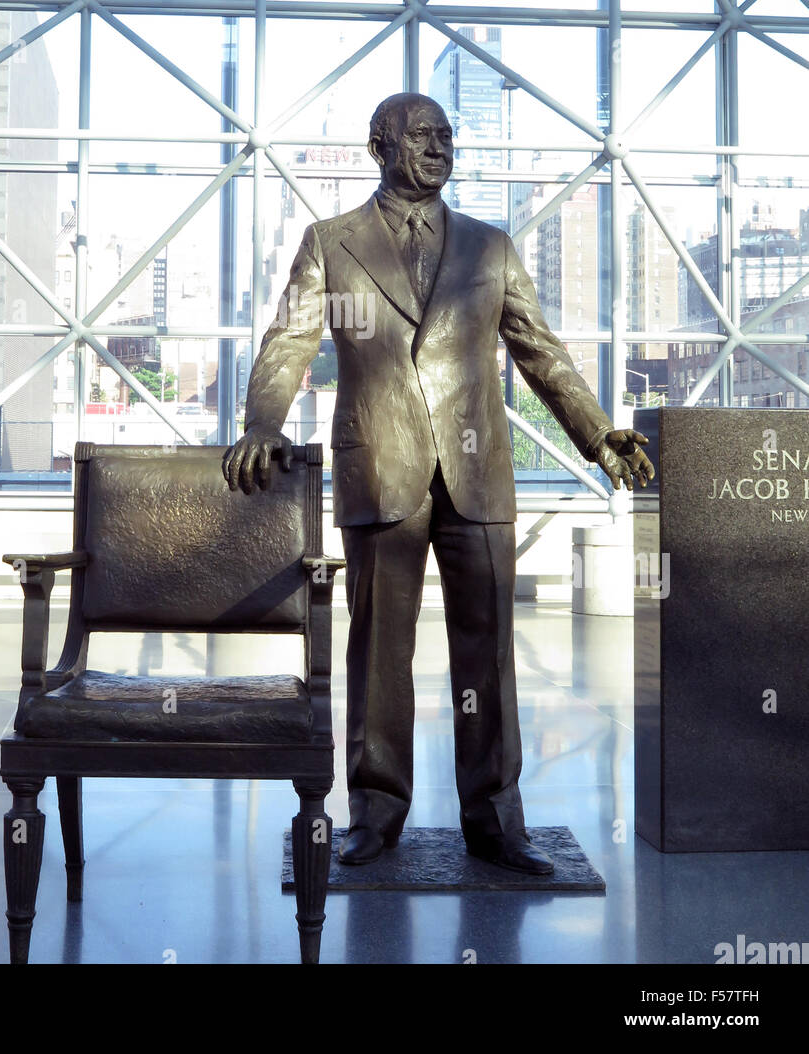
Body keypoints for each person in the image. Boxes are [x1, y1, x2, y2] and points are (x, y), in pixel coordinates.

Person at [223, 92, 653, 871]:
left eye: (447, 136)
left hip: (476, 472)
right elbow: (287, 341)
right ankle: (376, 813)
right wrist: (262, 423)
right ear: (378, 144)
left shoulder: (489, 248)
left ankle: (494, 819)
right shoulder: (332, 243)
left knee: (486, 655)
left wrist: (595, 432)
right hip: (379, 468)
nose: (439, 148)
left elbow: (539, 350)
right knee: (379, 651)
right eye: (422, 136)